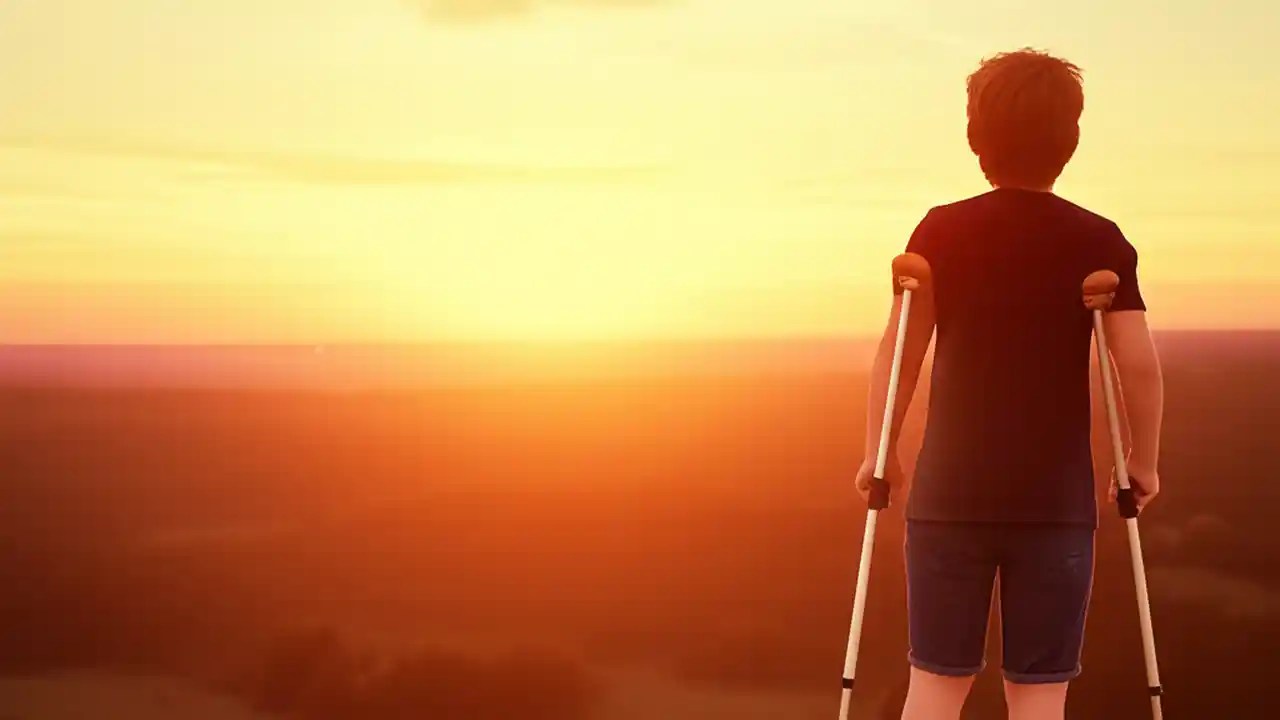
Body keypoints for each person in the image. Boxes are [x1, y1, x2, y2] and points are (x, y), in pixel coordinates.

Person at [853, 48, 1165, 720]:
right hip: (1054, 503)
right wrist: (1141, 463)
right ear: (1070, 139)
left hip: (949, 495)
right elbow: (1135, 364)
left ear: (975, 137)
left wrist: (879, 454)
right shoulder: (1100, 240)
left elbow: (900, 350)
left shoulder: (941, 231)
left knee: (935, 687)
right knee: (1039, 696)